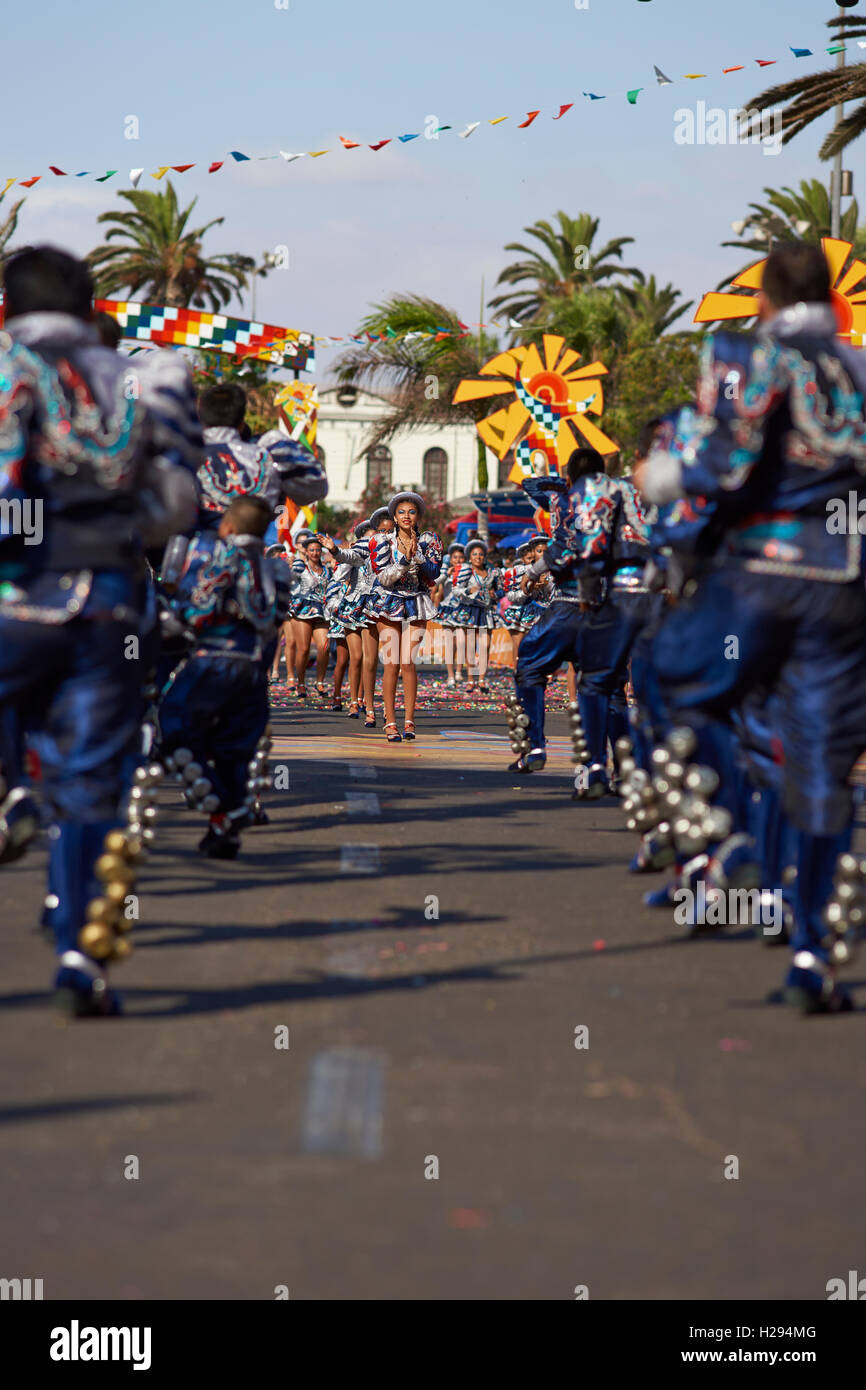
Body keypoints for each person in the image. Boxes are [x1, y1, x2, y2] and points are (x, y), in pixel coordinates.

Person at [636, 240, 866, 1013]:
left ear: (765, 296)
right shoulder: (861, 366)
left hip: (760, 579)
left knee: (673, 677)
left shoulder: (749, 353)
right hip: (844, 589)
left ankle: (726, 828)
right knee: (823, 768)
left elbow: (723, 465)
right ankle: (813, 953)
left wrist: (667, 475)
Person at [0, 245, 197, 1015]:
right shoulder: (152, 377)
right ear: (90, 310)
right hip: (108, 601)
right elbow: (177, 504)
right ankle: (82, 953)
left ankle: (13, 789)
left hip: (10, 595)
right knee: (89, 778)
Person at [157, 494, 288, 860]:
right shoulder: (275, 568)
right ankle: (224, 831)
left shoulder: (223, 557)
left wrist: (171, 616)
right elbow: (276, 619)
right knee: (235, 747)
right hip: (253, 667)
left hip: (215, 659)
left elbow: (198, 608)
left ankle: (228, 810)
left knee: (175, 724)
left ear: (227, 527)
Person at [370, 491, 443, 742]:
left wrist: (418, 555)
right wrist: (404, 559)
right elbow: (383, 578)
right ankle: (390, 721)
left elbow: (434, 573)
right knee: (391, 662)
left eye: (411, 512)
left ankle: (409, 721)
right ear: (394, 516)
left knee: (408, 661)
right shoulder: (381, 541)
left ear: (418, 515)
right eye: (401, 512)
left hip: (417, 601)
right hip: (388, 601)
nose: (406, 516)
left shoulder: (429, 540)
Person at [320, 519, 373, 716]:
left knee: (368, 659)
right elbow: (337, 579)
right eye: (368, 539)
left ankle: (361, 700)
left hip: (373, 610)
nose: (372, 543)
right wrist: (335, 606)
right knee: (348, 659)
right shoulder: (354, 557)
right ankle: (340, 696)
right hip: (350, 611)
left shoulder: (383, 557)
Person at [451, 539, 503, 694]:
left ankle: (481, 679)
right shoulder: (466, 570)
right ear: (470, 557)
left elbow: (502, 589)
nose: (478, 557)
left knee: (485, 646)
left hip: (486, 612)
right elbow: (456, 590)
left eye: (481, 554)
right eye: (475, 554)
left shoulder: (493, 571)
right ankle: (471, 679)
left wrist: (496, 594)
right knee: (470, 648)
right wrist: (468, 591)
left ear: (485, 556)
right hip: (470, 612)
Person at [291, 534, 330, 699]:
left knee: (324, 647)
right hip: (303, 611)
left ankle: (319, 682)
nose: (315, 553)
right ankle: (300, 682)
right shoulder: (300, 567)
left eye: (318, 550)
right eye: (312, 550)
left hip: (322, 611)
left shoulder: (328, 569)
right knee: (304, 649)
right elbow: (290, 580)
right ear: (306, 552)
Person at [435, 543, 467, 686]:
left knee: (461, 642)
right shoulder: (444, 571)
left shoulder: (467, 572)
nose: (458, 560)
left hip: (463, 610)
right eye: (455, 557)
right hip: (447, 610)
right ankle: (450, 675)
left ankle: (459, 671)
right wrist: (447, 574)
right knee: (450, 644)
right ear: (451, 559)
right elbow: (434, 584)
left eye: (461, 557)